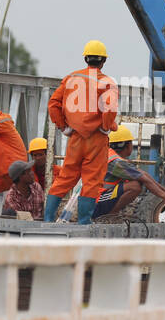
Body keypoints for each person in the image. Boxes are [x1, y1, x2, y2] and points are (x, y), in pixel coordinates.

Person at [45, 39, 119, 224]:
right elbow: (109, 109)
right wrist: (105, 126)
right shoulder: (107, 82)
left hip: (75, 138)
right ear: (103, 61)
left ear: (86, 58)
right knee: (92, 181)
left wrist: (63, 126)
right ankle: (83, 222)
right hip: (96, 139)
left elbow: (53, 104)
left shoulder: (71, 78)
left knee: (66, 177)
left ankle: (47, 219)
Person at [94, 126, 165, 219]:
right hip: (96, 201)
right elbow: (143, 179)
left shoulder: (111, 156)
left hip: (96, 199)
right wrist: (164, 197)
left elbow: (142, 174)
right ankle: (109, 216)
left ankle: (110, 214)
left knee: (137, 181)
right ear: (126, 145)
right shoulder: (116, 162)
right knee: (134, 186)